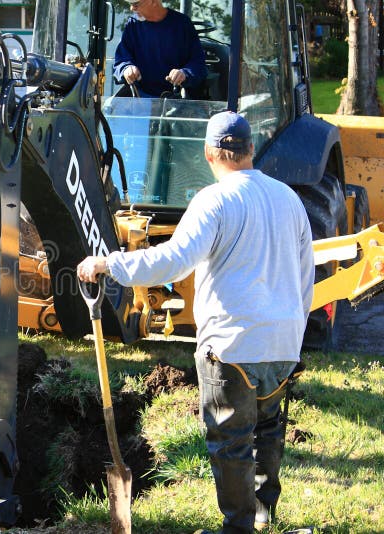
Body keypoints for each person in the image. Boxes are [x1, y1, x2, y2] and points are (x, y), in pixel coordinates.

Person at [77, 111, 314, 533]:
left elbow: (172, 261)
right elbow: (304, 275)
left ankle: (238, 527)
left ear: (208, 153)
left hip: (231, 345)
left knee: (231, 441)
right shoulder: (289, 199)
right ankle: (263, 516)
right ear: (251, 150)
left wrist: (108, 263)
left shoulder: (215, 200)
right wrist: (292, 330)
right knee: (268, 431)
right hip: (283, 341)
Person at [114, 0, 208, 97]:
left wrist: (185, 73)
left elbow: (199, 64)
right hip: (141, 99)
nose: (132, 8)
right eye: (131, 4)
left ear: (153, 1)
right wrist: (126, 68)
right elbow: (121, 60)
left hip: (177, 101)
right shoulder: (132, 25)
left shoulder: (182, 24)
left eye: (136, 4)